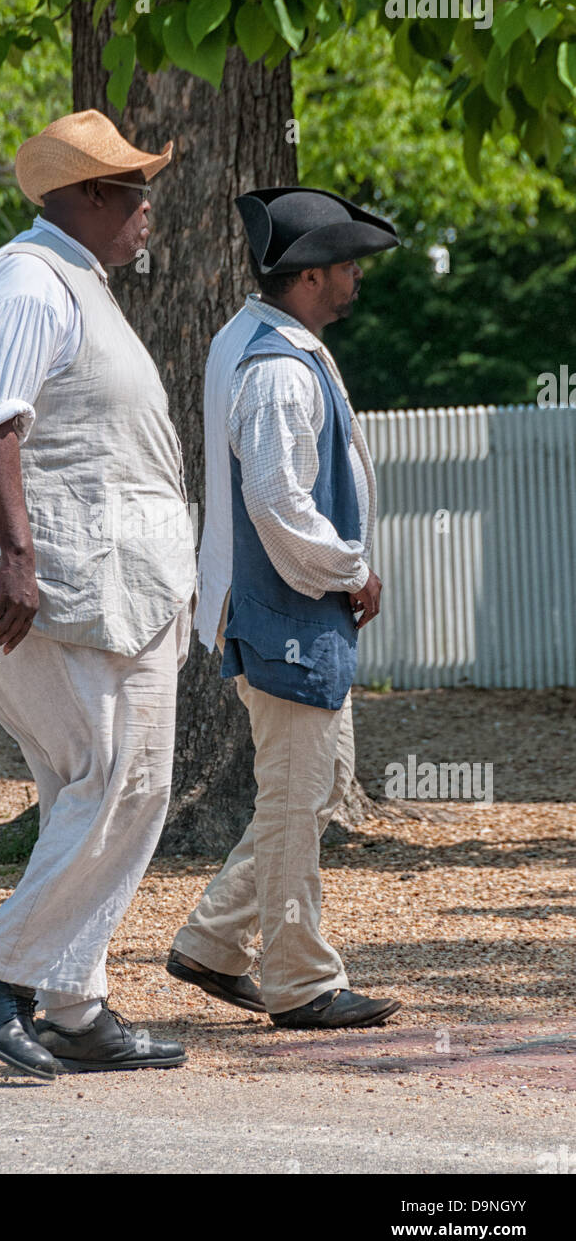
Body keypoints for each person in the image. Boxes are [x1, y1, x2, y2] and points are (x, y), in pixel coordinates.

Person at [0, 110, 197, 1077]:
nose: (146, 205)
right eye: (131, 187)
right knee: (122, 779)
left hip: (107, 587)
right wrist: (17, 555)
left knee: (93, 783)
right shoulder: (28, 280)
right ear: (85, 194)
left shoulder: (77, 281)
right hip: (56, 588)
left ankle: (75, 1007)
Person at [167, 186, 404, 1029]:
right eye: (344, 264)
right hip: (288, 606)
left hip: (279, 606)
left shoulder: (254, 338)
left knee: (312, 786)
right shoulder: (276, 370)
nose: (354, 276)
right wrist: (351, 569)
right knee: (296, 797)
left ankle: (211, 942)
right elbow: (276, 502)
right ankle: (301, 981)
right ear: (307, 276)